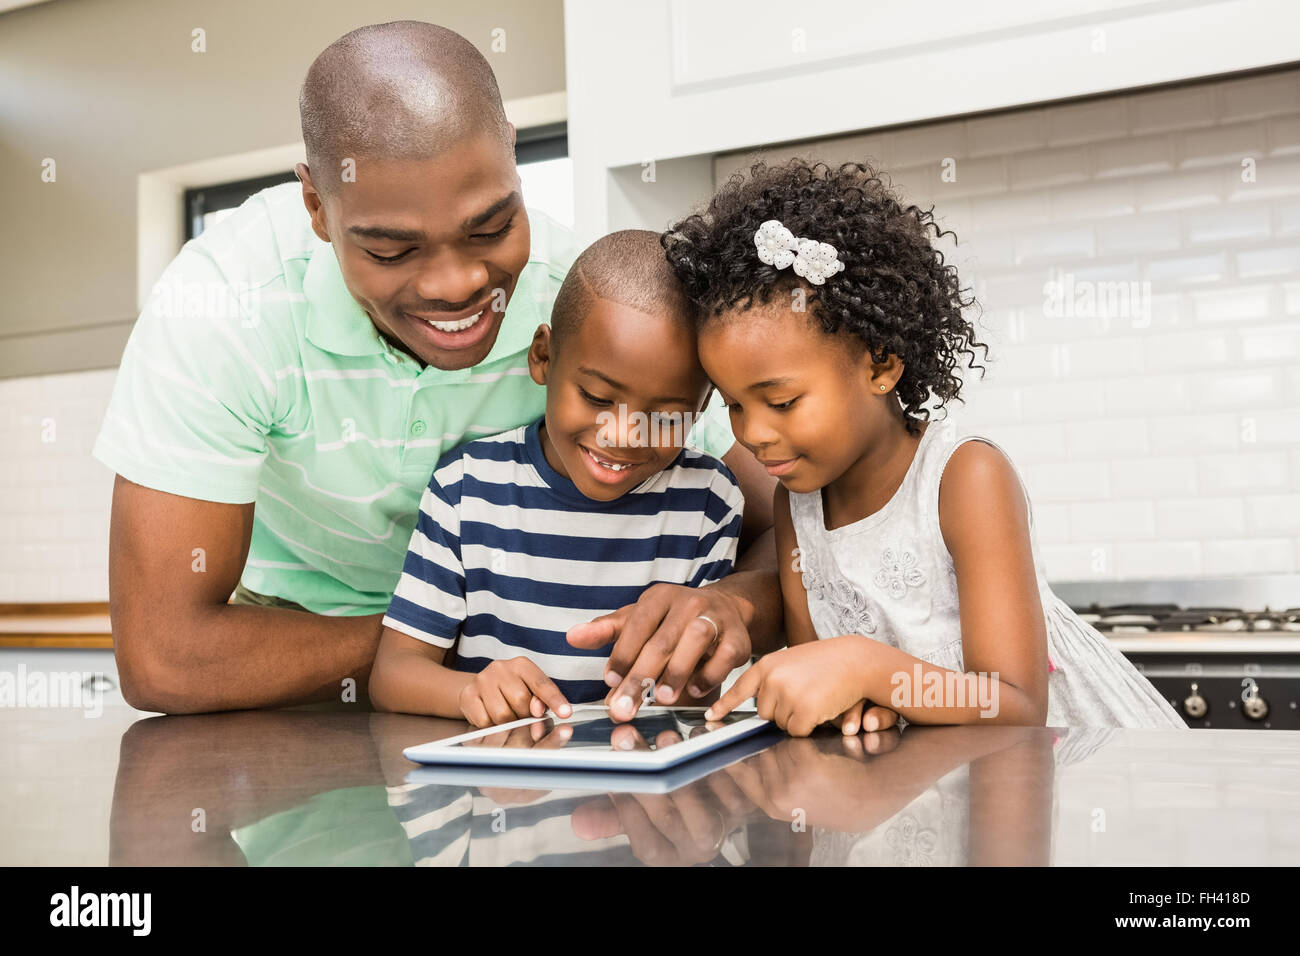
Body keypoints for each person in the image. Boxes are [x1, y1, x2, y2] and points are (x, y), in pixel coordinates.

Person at [93, 21, 779, 715]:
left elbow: (790, 527)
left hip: (522, 687)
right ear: (317, 208)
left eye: (490, 228)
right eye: (392, 250)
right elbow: (165, 658)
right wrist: (441, 646)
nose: (456, 284)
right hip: (285, 659)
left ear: (512, 154)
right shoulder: (225, 306)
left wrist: (728, 604)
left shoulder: (593, 306)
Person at [662, 158, 1187, 734]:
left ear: (881, 364)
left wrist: (866, 669)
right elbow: (827, 683)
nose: (753, 433)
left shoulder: (963, 478)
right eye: (735, 404)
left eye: (781, 402)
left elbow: (1013, 704)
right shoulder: (797, 505)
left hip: (1062, 763)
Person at [369, 231, 744, 723]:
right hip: (498, 784)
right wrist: (468, 692)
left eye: (667, 415)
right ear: (543, 357)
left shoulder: (709, 501)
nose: (624, 434)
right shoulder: (465, 489)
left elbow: (703, 688)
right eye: (596, 397)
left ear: (704, 404)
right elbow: (393, 675)